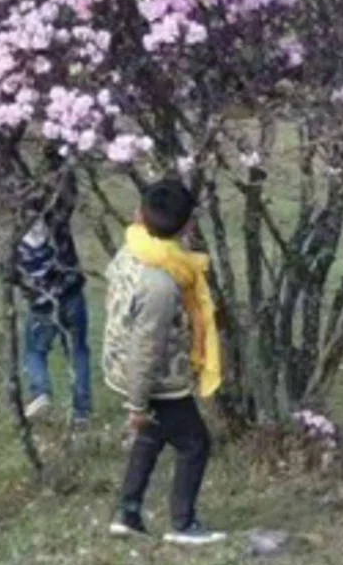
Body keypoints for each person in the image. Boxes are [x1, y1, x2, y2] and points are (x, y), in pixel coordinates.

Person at [102, 177, 225, 545]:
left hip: (124, 365)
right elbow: (147, 346)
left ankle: (129, 513)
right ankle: (183, 524)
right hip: (155, 378)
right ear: (187, 226)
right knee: (194, 443)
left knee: (151, 436)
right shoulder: (161, 283)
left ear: (139, 215)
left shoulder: (132, 249)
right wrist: (137, 404)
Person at [15, 160, 90, 426]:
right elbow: (69, 195)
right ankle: (82, 412)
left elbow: (12, 274)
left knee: (35, 352)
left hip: (41, 305)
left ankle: (41, 391)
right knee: (78, 351)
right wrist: (62, 163)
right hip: (71, 295)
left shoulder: (15, 241)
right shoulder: (57, 222)